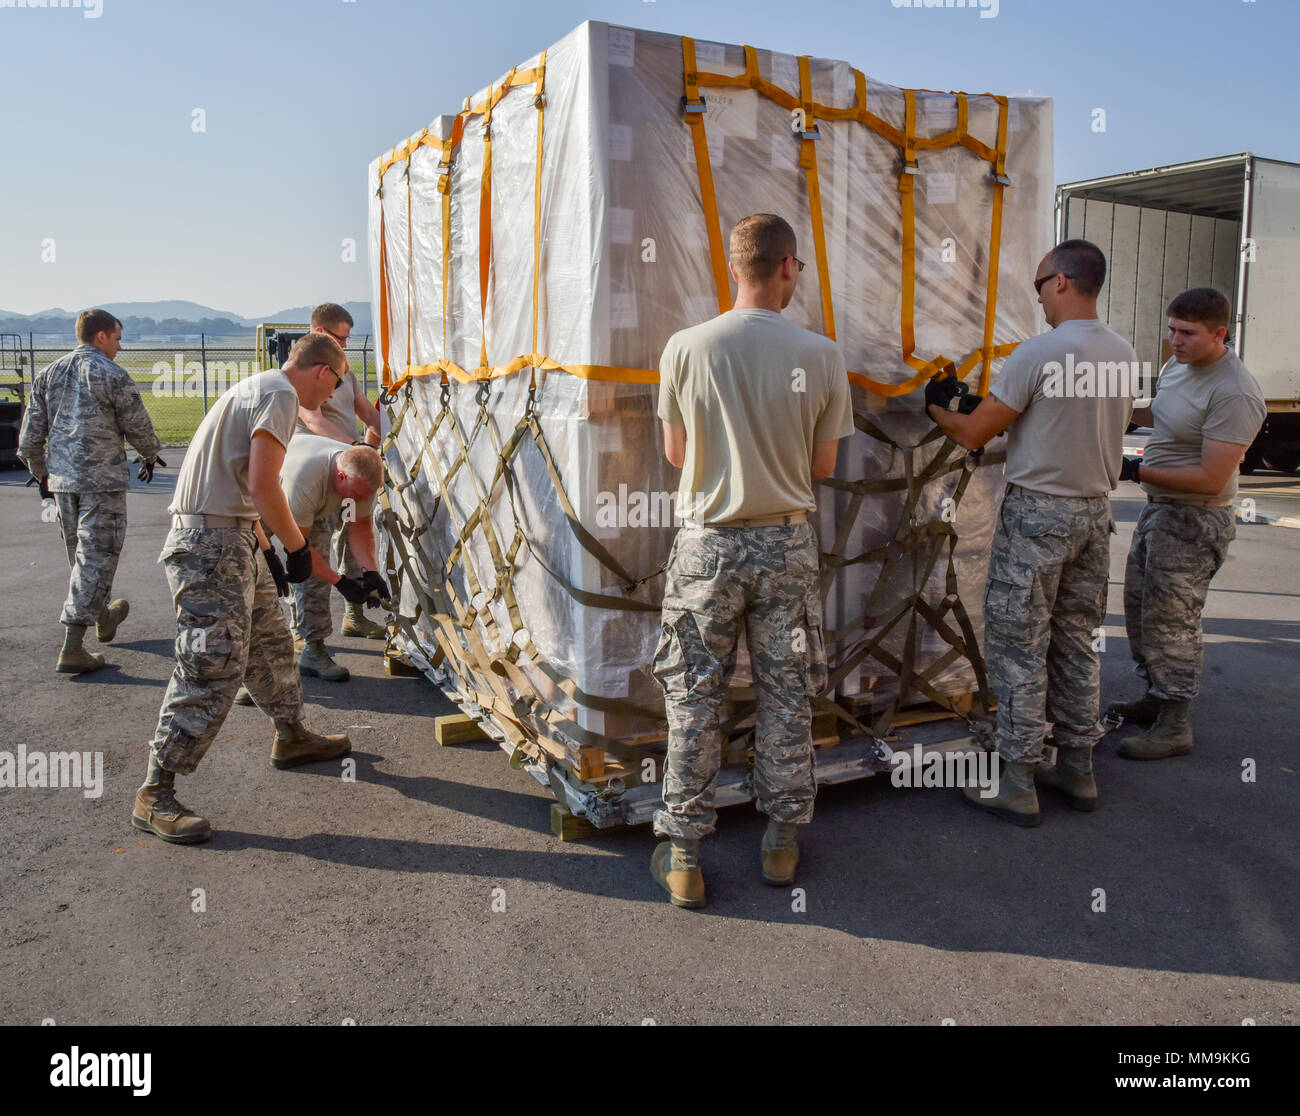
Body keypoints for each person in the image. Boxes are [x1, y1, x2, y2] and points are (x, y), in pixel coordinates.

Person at [650, 213, 855, 909]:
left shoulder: (685, 347)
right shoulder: (822, 354)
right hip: (786, 546)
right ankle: (779, 842)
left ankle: (683, 855)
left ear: (734, 268)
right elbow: (824, 464)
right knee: (788, 692)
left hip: (706, 542)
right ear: (788, 267)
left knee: (693, 695)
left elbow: (677, 456)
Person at [927, 239, 1135, 824]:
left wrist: (940, 409)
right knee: (1076, 642)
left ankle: (1017, 778)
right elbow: (1057, 415)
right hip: (1095, 513)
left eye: (1040, 284)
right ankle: (1077, 767)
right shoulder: (1123, 352)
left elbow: (973, 434)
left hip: (1040, 515)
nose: (1038, 296)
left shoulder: (1037, 353)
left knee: (1019, 646)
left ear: (1063, 282)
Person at [133, 333, 354, 845]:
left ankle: (292, 734)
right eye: (338, 383)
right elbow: (263, 482)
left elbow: (238, 485)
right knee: (213, 664)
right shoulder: (281, 396)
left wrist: (268, 550)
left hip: (231, 539)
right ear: (323, 371)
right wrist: (298, 548)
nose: (334, 395)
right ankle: (154, 791)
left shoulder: (261, 389)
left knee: (272, 643)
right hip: (211, 544)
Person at [1109, 287, 1265, 759]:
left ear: (1219, 334)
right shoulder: (1182, 364)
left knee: (1172, 621)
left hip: (1196, 519)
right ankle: (1156, 696)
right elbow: (1159, 410)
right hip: (1161, 509)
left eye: (1187, 333)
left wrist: (1129, 469)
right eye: (1172, 330)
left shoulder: (1234, 391)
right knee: (1139, 608)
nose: (1174, 341)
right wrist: (1105, 412)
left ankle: (1175, 722)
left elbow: (1209, 477)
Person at [18, 309, 163, 674]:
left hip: (64, 484)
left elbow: (29, 440)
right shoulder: (112, 374)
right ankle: (72, 647)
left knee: (82, 559)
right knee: (95, 562)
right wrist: (149, 454)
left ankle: (104, 617)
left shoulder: (47, 374)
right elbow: (138, 425)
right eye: (117, 338)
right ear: (101, 337)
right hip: (102, 484)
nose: (119, 345)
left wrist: (43, 477)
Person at [293, 302, 387, 641]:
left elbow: (364, 409)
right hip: (322, 476)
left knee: (352, 539)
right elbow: (313, 420)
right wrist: (355, 447)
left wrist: (393, 434)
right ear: (320, 333)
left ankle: (355, 615)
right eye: (340, 339)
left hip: (348, 472)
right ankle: (308, 637)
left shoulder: (344, 371)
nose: (345, 346)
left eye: (348, 340)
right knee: (310, 550)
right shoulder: (306, 372)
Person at [279, 434, 389, 683]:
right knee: (303, 575)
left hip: (315, 505)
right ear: (340, 476)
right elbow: (299, 549)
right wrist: (340, 582)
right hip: (266, 506)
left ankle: (310, 646)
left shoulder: (361, 478)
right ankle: (312, 649)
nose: (360, 500)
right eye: (357, 495)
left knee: (318, 569)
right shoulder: (306, 480)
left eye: (366, 496)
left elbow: (359, 527)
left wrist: (369, 572)